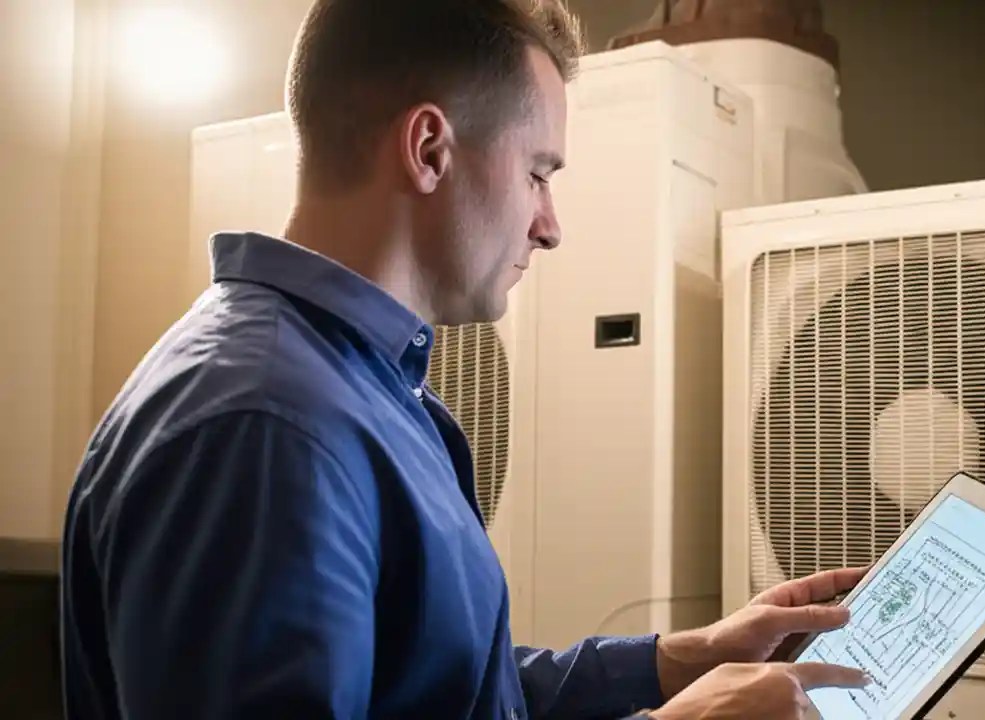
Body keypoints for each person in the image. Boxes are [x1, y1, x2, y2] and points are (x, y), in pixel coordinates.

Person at [59, 1, 870, 718]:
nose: (550, 225)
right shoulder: (266, 426)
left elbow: (443, 690)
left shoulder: (364, 388)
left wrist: (680, 661)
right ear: (428, 149)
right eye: (537, 174)